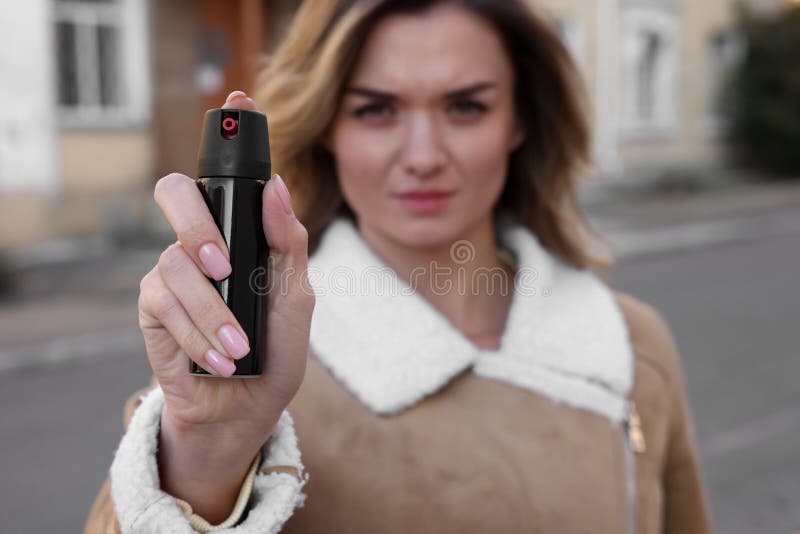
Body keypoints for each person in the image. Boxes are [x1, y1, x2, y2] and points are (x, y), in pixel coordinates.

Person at [85, 0, 711, 532]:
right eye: (376, 110)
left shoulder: (631, 345)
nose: (423, 156)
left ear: (520, 120)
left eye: (465, 107)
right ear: (328, 125)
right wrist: (205, 454)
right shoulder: (246, 360)